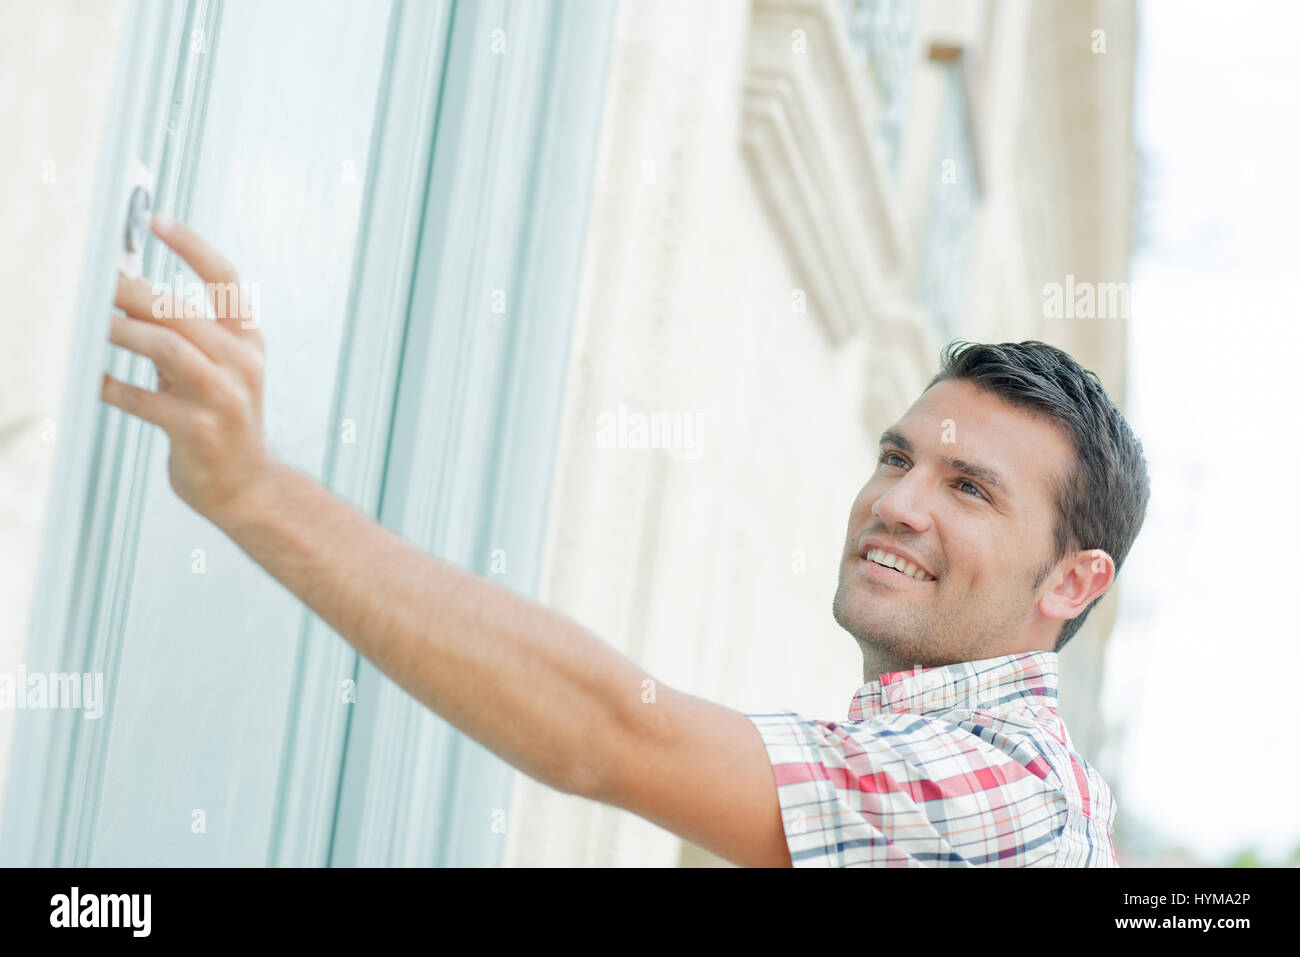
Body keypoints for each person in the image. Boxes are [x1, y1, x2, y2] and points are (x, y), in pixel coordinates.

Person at [102, 215, 1150, 867]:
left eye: (966, 487)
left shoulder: (1001, 790)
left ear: (1073, 580)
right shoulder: (995, 774)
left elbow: (607, 738)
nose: (898, 502)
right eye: (895, 456)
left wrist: (252, 492)